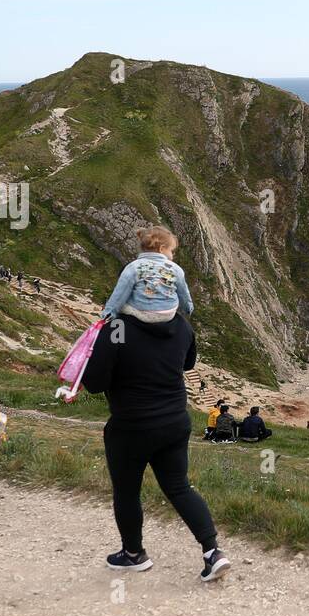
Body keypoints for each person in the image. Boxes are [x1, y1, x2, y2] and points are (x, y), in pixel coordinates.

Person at [80, 304, 230, 582]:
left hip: (130, 427)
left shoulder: (118, 327)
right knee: (179, 487)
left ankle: (134, 554)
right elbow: (188, 363)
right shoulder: (180, 323)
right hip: (174, 422)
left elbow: (94, 382)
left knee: (127, 492)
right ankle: (213, 552)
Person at [100, 226, 194, 323]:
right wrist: (188, 308)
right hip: (168, 314)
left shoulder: (133, 267)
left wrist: (109, 311)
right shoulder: (176, 269)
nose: (172, 255)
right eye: (171, 251)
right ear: (161, 249)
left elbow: (120, 292)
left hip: (141, 314)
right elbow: (183, 293)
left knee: (125, 300)